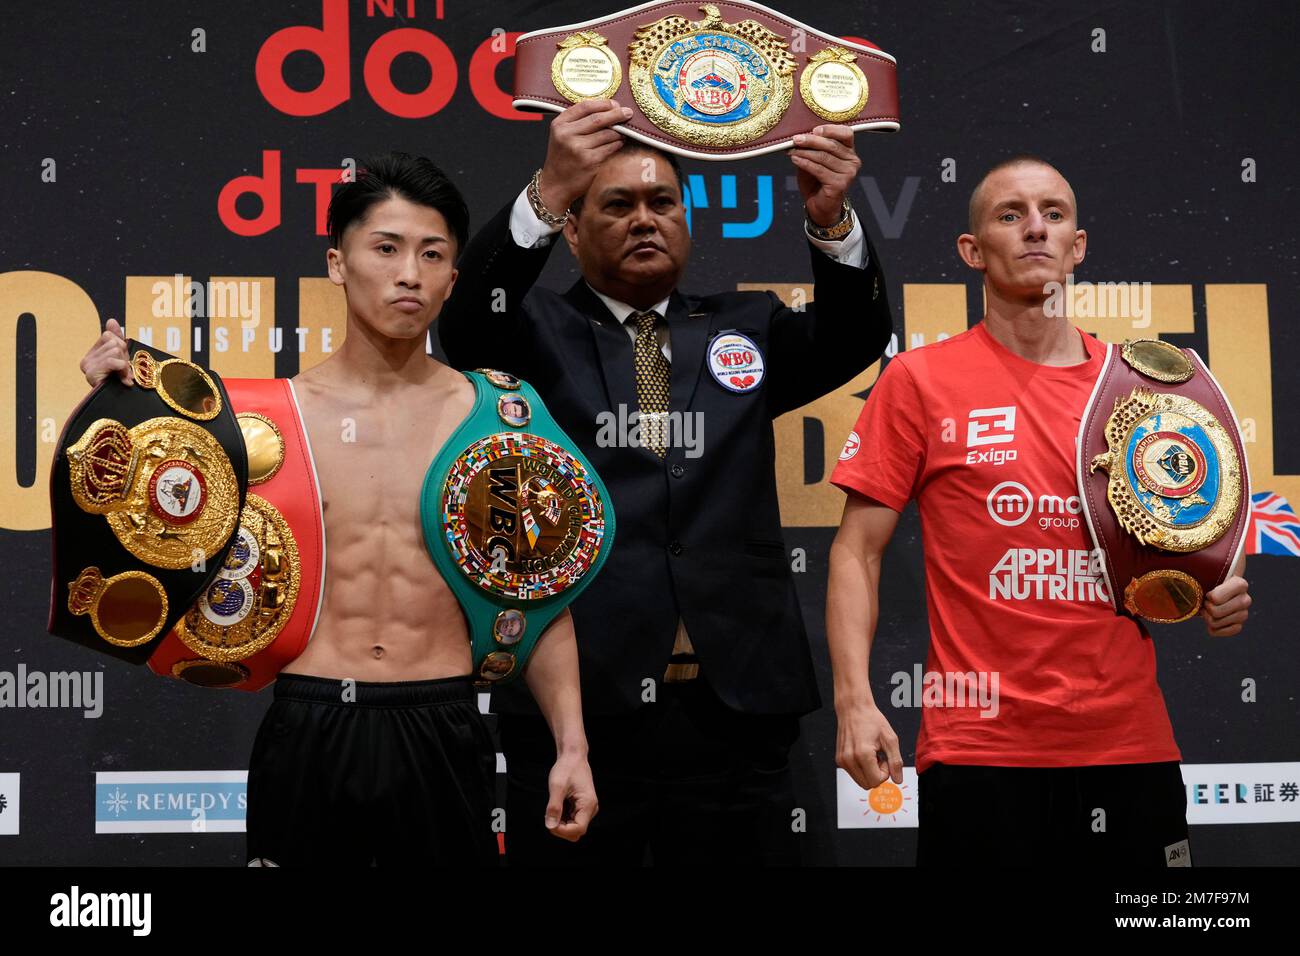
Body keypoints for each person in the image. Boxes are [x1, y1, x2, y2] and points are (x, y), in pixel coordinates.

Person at [78, 152, 597, 866]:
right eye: (385, 248)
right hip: (311, 724)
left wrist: (571, 746)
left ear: (452, 278)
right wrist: (109, 401)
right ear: (337, 262)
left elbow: (541, 597)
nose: (408, 273)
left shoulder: (499, 419)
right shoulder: (253, 421)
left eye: (432, 254)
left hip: (445, 725)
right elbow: (127, 507)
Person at [438, 98, 893, 865]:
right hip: (582, 711)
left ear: (687, 219)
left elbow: (856, 336)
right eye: (616, 205)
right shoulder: (534, 332)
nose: (645, 219)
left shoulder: (745, 326)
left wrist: (831, 220)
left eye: (662, 203)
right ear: (573, 229)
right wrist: (547, 188)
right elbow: (466, 328)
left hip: (739, 712)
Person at [825, 155, 1252, 867]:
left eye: (1054, 214)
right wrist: (854, 701)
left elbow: (1189, 543)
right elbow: (855, 551)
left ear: (1078, 246)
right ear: (972, 250)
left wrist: (1215, 590)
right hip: (979, 748)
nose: (1035, 230)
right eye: (1010, 215)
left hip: (1128, 743)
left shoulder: (1142, 391)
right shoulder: (919, 381)